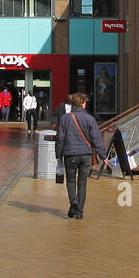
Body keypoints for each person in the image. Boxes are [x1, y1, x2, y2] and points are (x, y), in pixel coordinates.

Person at [55, 92, 104, 220]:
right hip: (86, 155)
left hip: (70, 154)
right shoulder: (90, 119)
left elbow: (60, 138)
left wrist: (58, 154)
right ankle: (80, 212)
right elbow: (96, 138)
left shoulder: (65, 118)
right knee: (82, 182)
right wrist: (103, 155)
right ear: (82, 104)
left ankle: (74, 203)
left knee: (71, 180)